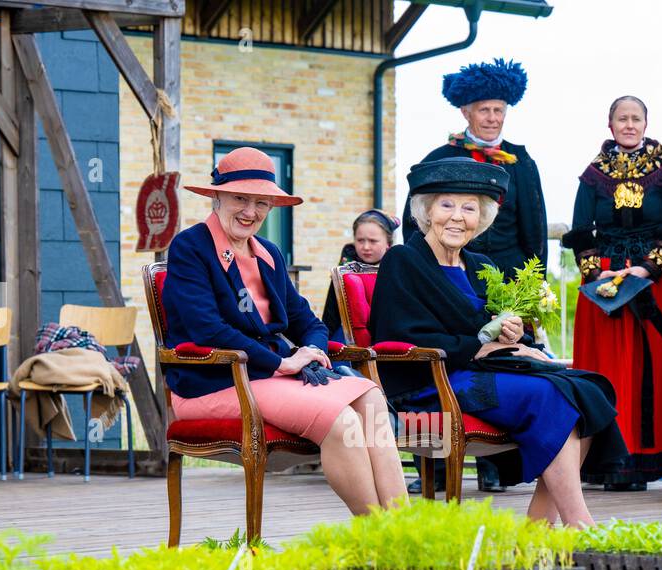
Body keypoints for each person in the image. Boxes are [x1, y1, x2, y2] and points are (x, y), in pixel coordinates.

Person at [371, 157, 627, 527]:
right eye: (447, 204)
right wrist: (477, 347)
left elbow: (491, 325)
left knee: (589, 389)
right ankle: (579, 523)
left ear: (482, 218)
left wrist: (514, 335)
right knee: (548, 396)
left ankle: (539, 524)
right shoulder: (403, 259)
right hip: (431, 381)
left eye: (469, 208)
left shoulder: (478, 264)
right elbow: (399, 334)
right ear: (426, 211)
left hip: (482, 371)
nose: (457, 217)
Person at [161, 147, 406, 515]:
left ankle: (403, 529)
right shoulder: (190, 247)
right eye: (240, 198)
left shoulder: (270, 253)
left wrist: (311, 350)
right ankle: (378, 535)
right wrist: (281, 362)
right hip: (214, 380)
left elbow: (309, 321)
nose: (250, 211)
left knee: (370, 399)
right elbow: (207, 329)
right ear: (216, 196)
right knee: (340, 420)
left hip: (271, 374)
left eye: (261, 202)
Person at [402, 58, 548, 494]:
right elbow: (414, 226)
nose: (492, 118)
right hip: (444, 275)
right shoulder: (438, 160)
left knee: (502, 363)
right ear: (465, 111)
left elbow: (535, 229)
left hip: (501, 279)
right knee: (436, 360)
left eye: (499, 110)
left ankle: (495, 467)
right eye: (484, 109)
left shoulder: (522, 163)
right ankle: (430, 468)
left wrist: (529, 287)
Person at [562, 95, 662, 492]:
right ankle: (614, 462)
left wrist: (645, 269)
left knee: (659, 367)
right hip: (605, 281)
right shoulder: (593, 174)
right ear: (610, 124)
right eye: (623, 119)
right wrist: (601, 276)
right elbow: (581, 231)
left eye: (636, 119)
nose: (630, 125)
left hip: (657, 279)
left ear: (646, 123)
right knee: (610, 369)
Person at [320, 209, 399, 340]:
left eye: (373, 241)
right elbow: (331, 315)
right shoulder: (345, 271)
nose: (366, 247)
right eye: (360, 240)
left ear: (388, 243)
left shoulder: (397, 270)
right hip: (348, 338)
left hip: (387, 338)